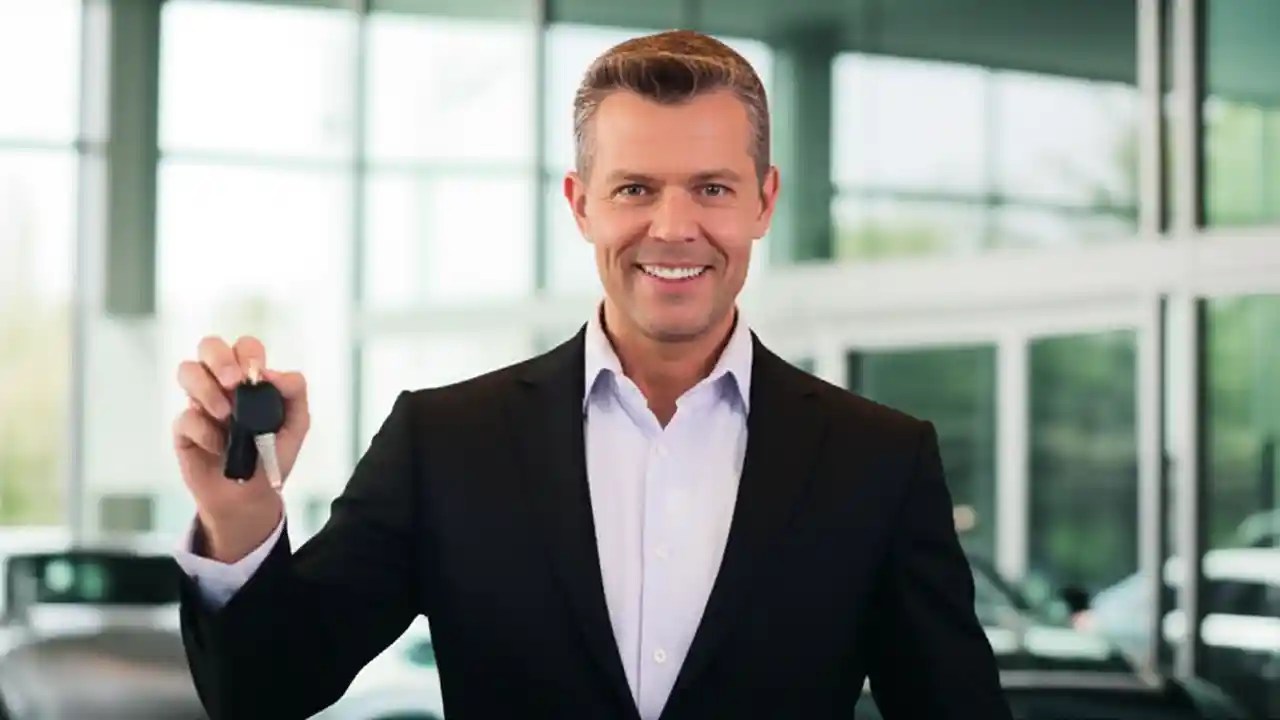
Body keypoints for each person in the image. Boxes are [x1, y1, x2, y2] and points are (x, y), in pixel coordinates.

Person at [171, 29, 1011, 720]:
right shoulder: (448, 443)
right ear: (581, 204)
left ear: (764, 201)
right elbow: (265, 693)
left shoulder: (878, 461)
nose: (674, 228)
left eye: (712, 188)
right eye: (636, 188)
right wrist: (237, 518)